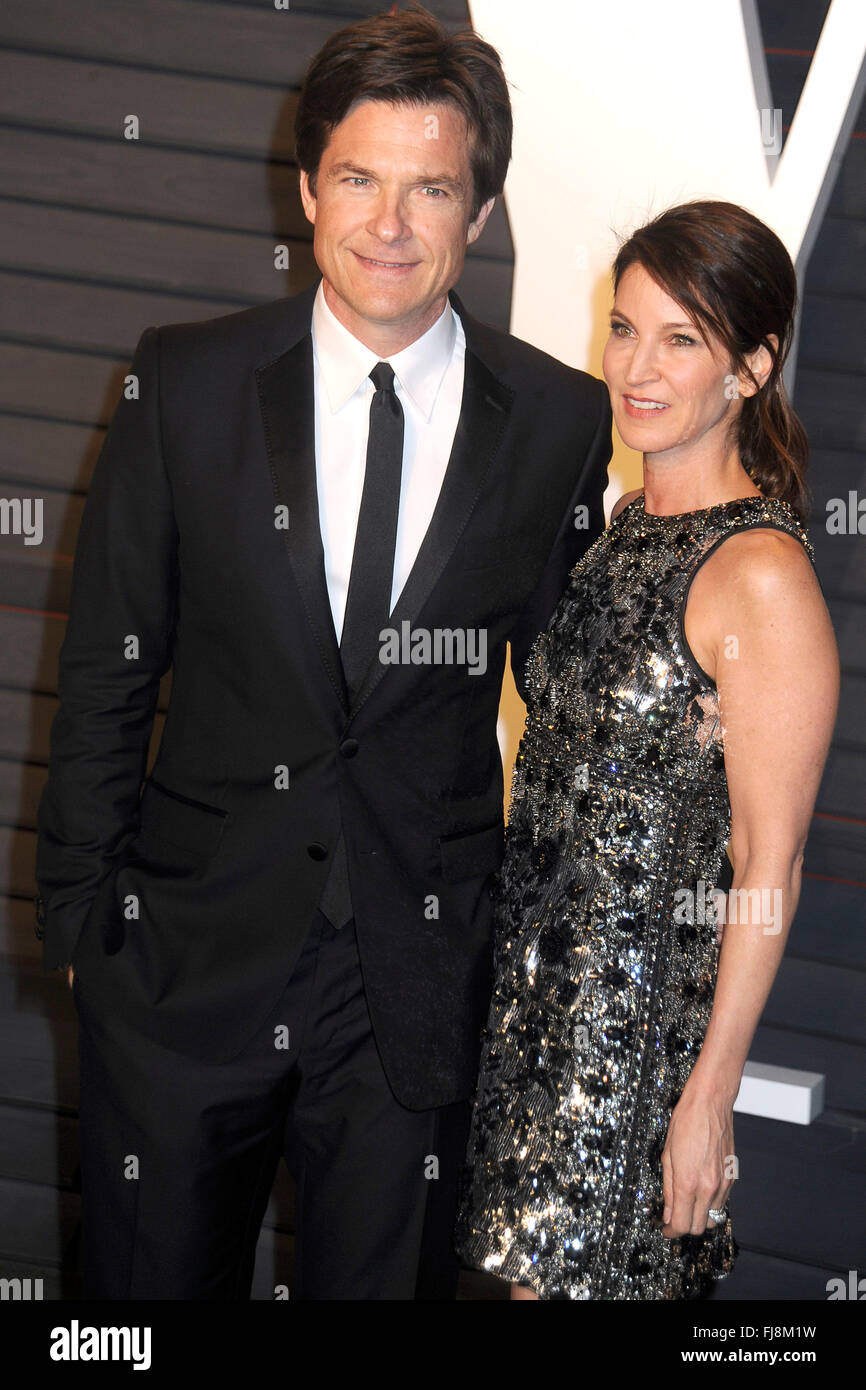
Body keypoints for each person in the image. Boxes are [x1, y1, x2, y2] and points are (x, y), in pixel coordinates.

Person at [33, 7, 611, 1299]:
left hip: (413, 998)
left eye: (430, 188)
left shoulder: (560, 423)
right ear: (305, 189)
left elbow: (562, 715)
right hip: (184, 976)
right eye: (357, 178)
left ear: (481, 208)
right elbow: (109, 671)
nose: (388, 223)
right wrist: (83, 927)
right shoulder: (182, 385)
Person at [455, 200, 839, 1300]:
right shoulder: (619, 522)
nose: (636, 365)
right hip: (533, 1023)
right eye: (624, 328)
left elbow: (769, 866)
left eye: (681, 338)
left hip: (632, 1055)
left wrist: (709, 1087)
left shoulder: (757, 574)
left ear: (750, 365)